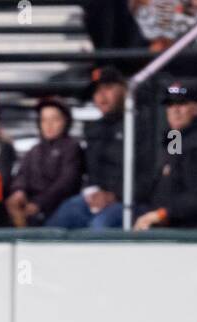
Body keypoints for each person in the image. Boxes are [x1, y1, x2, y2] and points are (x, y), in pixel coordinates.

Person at [50, 65, 157, 231]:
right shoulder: (94, 130)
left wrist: (115, 195)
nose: (102, 96)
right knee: (64, 215)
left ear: (124, 89)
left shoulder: (146, 125)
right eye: (97, 91)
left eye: (108, 88)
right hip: (100, 200)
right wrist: (93, 192)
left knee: (100, 226)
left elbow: (152, 174)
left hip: (135, 202)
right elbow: (93, 173)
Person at [131, 83, 197, 230]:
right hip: (170, 223)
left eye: (182, 104)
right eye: (170, 105)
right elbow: (166, 178)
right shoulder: (176, 137)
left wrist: (162, 214)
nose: (175, 110)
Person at [5, 96, 83, 227]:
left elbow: (66, 183)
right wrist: (19, 191)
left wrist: (39, 203)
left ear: (66, 122)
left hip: (59, 207)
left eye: (55, 119)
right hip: (32, 205)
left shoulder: (72, 147)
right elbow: (22, 175)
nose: (49, 125)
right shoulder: (34, 150)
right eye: (44, 120)